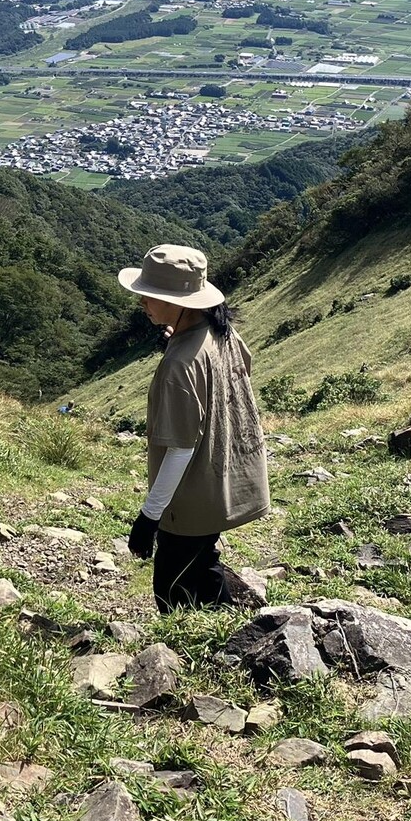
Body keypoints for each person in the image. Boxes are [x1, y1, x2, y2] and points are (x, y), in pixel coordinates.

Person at [117, 244, 270, 611]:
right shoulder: (222, 332)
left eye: (151, 296)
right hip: (224, 479)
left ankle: (200, 651)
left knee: (172, 590)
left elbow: (181, 448)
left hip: (191, 498)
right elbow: (240, 369)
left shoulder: (179, 366)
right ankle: (229, 632)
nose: (143, 304)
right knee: (202, 564)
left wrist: (149, 517)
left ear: (180, 302)